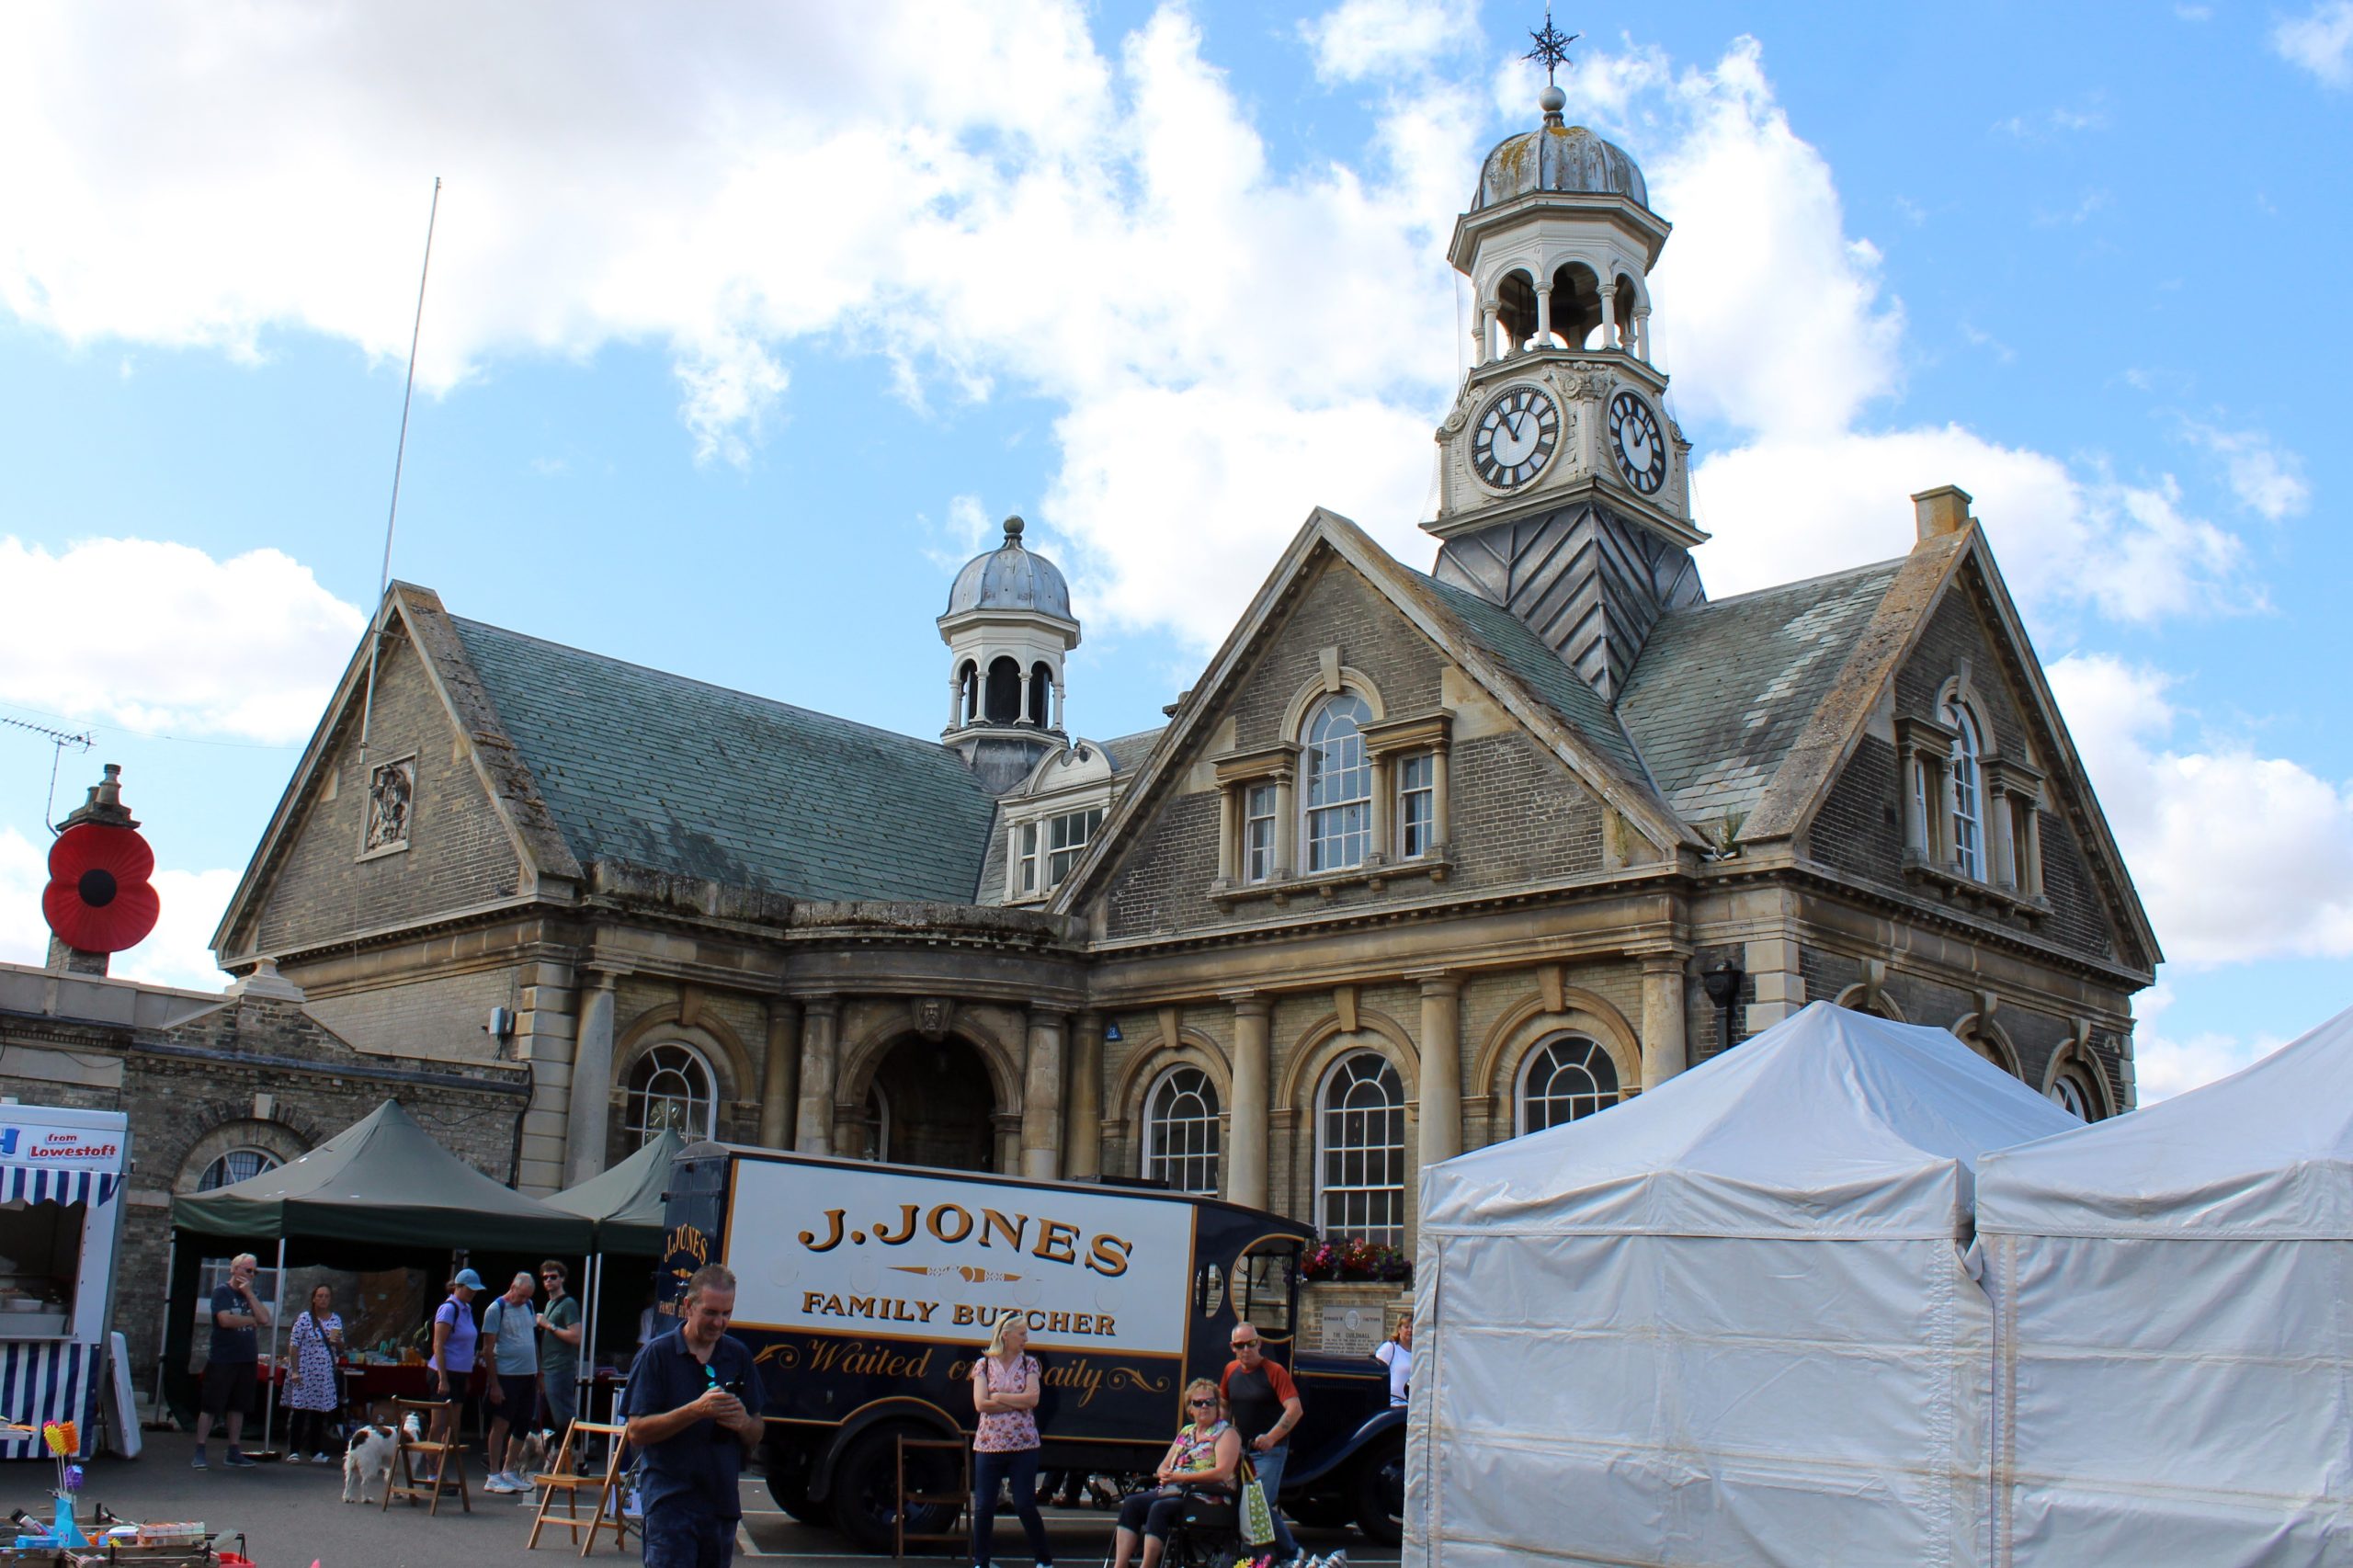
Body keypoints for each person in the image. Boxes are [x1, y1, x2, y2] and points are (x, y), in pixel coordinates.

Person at [624, 1265, 764, 1568]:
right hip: (670, 1502)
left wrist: (744, 1424)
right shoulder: (657, 1355)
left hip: (721, 1503)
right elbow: (636, 1432)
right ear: (689, 1305)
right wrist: (695, 1410)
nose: (719, 1322)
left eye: (727, 1313)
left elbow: (757, 1430)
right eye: (711, 1312)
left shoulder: (737, 1355)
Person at [1108, 1380, 1241, 1568]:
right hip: (1174, 1489)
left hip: (1207, 1496)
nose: (1204, 1406)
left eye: (1210, 1402)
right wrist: (1165, 1474)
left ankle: (1148, 1565)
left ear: (1217, 1406)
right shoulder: (1187, 1432)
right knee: (1132, 1503)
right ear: (1190, 1409)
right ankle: (1119, 1565)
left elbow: (1222, 1473)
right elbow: (1163, 1465)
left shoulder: (1226, 1433)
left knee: (1159, 1508)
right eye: (1198, 1402)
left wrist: (1181, 1478)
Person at [970, 1313, 1052, 1568]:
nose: (1026, 1339)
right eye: (1021, 1334)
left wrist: (999, 1395)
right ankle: (981, 1561)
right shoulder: (983, 1365)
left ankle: (1044, 1560)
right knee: (984, 1506)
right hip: (989, 1444)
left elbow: (1032, 1400)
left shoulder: (1030, 1365)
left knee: (1025, 1504)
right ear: (1005, 1335)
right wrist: (1014, 1400)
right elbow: (980, 1403)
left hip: (1023, 1445)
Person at [1222, 1323, 1304, 1562]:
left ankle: (1290, 1553)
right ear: (1232, 1347)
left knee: (1258, 1504)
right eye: (1240, 1345)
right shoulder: (1230, 1370)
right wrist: (1223, 1436)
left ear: (1259, 1344)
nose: (1246, 1349)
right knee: (1247, 1506)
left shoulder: (1274, 1371)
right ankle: (1257, 1557)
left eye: (1250, 1344)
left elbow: (1295, 1409)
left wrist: (1271, 1437)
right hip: (1242, 1452)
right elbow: (1225, 1404)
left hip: (1270, 1452)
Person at [192, 1253, 272, 1471]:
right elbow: (225, 1320)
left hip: (246, 1357)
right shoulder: (222, 1292)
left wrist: (249, 1295)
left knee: (238, 1406)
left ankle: (234, 1450)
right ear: (235, 1270)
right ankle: (200, 1449)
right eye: (248, 1270)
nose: (251, 1275)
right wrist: (250, 1320)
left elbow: (265, 1318)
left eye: (254, 1271)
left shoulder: (251, 1294)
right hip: (223, 1358)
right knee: (211, 1405)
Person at [481, 1270, 540, 1494]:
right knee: (501, 1422)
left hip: (528, 1374)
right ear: (512, 1288)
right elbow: (488, 1348)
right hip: (507, 1375)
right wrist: (494, 1383)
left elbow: (533, 1339)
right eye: (521, 1295)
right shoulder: (496, 1309)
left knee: (523, 1422)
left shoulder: (529, 1306)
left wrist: (539, 1371)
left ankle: (509, 1469)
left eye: (527, 1296)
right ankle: (493, 1474)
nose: (523, 1300)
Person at [426, 1267, 485, 1462]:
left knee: (454, 1423)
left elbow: (466, 1345)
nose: (473, 1293)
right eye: (469, 1289)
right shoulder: (449, 1308)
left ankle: (443, 1466)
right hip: (443, 1371)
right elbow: (438, 1343)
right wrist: (443, 1378)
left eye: (475, 1290)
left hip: (460, 1373)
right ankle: (431, 1471)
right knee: (438, 1423)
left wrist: (466, 1376)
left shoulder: (466, 1309)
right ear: (458, 1287)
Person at [282, 1283, 346, 1463]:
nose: (323, 1299)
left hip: (324, 1371)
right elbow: (293, 1345)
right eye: (320, 1296)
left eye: (326, 1296)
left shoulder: (336, 1320)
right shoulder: (304, 1318)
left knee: (320, 1411)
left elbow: (341, 1347)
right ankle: (294, 1449)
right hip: (305, 1369)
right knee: (300, 1410)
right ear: (313, 1298)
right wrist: (295, 1371)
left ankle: (315, 1450)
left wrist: (338, 1341)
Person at [535, 1260, 585, 1447]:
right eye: (545, 1277)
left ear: (562, 1278)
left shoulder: (568, 1304)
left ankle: (577, 1459)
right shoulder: (550, 1304)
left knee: (564, 1415)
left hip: (560, 1367)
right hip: (547, 1368)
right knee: (547, 1415)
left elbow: (576, 1337)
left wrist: (550, 1325)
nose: (548, 1280)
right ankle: (564, 1458)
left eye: (553, 1277)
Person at [1373, 1314, 1412, 1407]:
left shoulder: (1417, 1353)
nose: (1410, 1330)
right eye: (1406, 1327)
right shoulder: (1390, 1348)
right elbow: (1377, 1373)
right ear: (1399, 1329)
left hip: (1410, 1406)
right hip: (1392, 1404)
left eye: (1413, 1327)